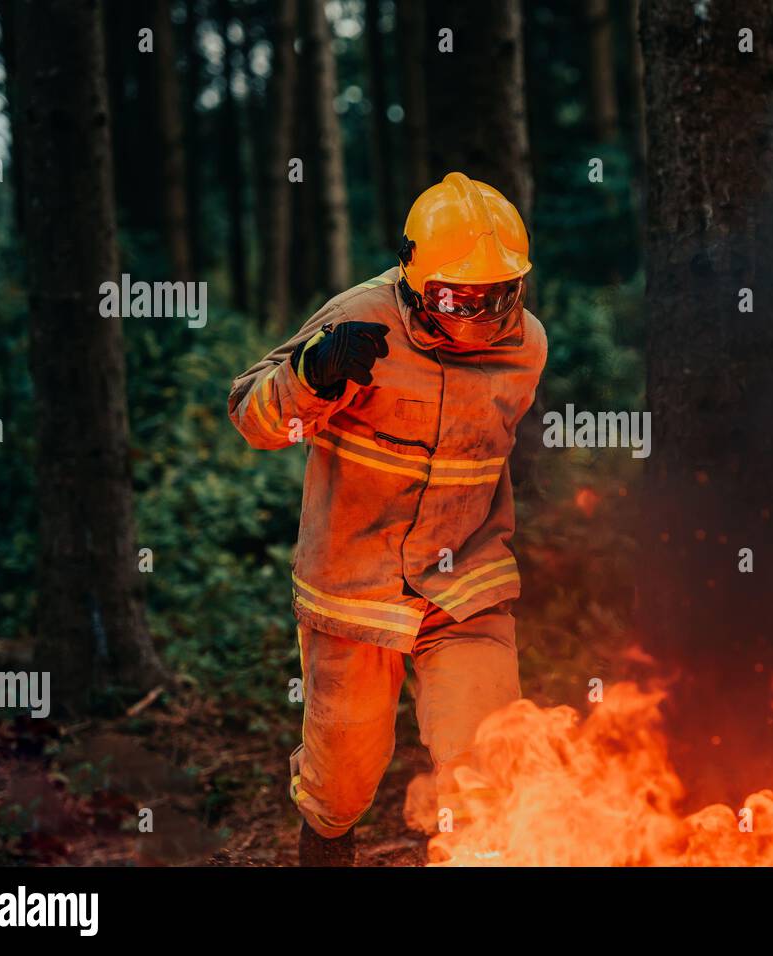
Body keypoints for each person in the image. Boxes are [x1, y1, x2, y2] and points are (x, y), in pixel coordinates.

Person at [228, 172, 546, 866]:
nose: (472, 317)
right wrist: (311, 377)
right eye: (453, 298)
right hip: (354, 588)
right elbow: (254, 420)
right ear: (413, 279)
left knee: (487, 764)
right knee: (340, 782)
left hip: (465, 584)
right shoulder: (358, 318)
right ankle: (327, 845)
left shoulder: (529, 347)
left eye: (491, 297)